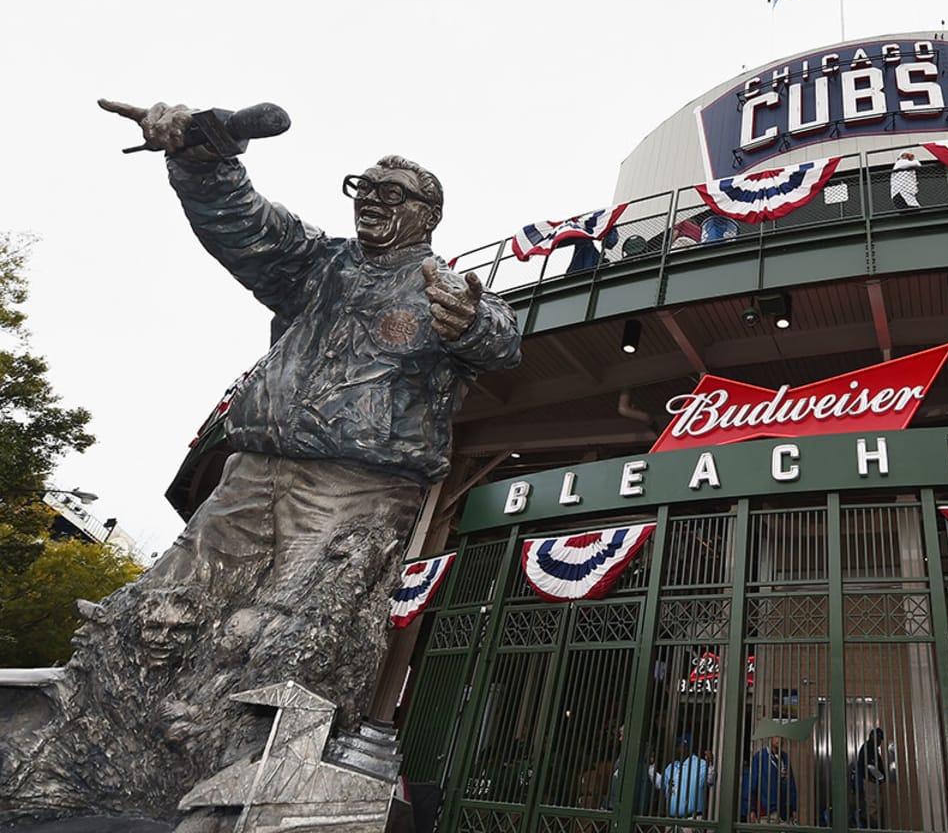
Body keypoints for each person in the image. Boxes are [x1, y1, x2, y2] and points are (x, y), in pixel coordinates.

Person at [5, 99, 526, 815]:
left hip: (359, 486)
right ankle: (85, 762)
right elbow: (243, 223)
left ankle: (249, 789)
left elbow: (500, 337)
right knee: (162, 606)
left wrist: (468, 324)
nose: (372, 200)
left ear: (428, 214)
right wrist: (200, 158)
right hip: (252, 471)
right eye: (363, 187)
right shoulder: (317, 264)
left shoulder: (442, 287)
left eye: (392, 193)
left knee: (292, 633)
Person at [651, 734, 715, 825]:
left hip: (691, 820)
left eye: (678, 745)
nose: (675, 748)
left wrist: (710, 764)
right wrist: (651, 767)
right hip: (671, 821)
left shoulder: (700, 764)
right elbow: (659, 783)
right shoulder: (671, 767)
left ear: (686, 747)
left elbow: (710, 780)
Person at [741, 734, 798, 824]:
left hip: (784, 813)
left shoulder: (785, 758)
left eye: (781, 737)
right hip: (766, 813)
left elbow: (791, 785)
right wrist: (751, 809)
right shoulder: (759, 757)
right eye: (776, 736)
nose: (779, 739)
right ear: (770, 738)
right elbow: (751, 785)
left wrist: (793, 808)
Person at [851, 727, 887, 828]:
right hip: (870, 781)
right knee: (873, 806)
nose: (880, 742)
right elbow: (870, 766)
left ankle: (872, 825)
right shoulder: (869, 748)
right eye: (879, 738)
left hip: (871, 780)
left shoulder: (870, 748)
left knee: (874, 805)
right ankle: (873, 827)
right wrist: (880, 777)